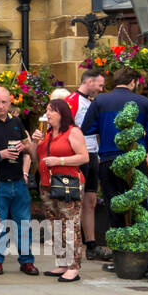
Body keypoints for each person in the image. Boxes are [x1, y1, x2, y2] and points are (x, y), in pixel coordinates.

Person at [81, 66, 148, 269]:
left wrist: (105, 133)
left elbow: (86, 128)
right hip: (136, 159)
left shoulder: (100, 101)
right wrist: (145, 148)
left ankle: (119, 257)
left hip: (108, 159)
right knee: (138, 205)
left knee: (114, 206)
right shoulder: (143, 102)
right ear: (133, 82)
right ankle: (139, 254)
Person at [33, 98, 89, 281]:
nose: (47, 114)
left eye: (52, 110)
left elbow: (84, 157)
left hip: (67, 184)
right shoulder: (46, 133)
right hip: (47, 184)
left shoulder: (73, 132)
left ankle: (73, 266)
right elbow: (35, 157)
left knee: (69, 225)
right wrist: (34, 142)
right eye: (47, 110)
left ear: (62, 114)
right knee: (55, 225)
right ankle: (62, 262)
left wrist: (60, 161)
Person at [0, 86, 38, 276]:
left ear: (10, 102)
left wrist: (27, 147)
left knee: (24, 223)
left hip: (18, 180)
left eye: (4, 102)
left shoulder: (16, 121)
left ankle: (26, 261)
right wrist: (1, 154)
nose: (1, 106)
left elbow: (31, 152)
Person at [66, 68, 106, 259]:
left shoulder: (92, 102)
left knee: (90, 200)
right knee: (76, 202)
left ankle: (91, 244)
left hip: (93, 155)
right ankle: (73, 245)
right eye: (100, 85)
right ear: (89, 82)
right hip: (79, 155)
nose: (101, 89)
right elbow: (65, 128)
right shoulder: (72, 100)